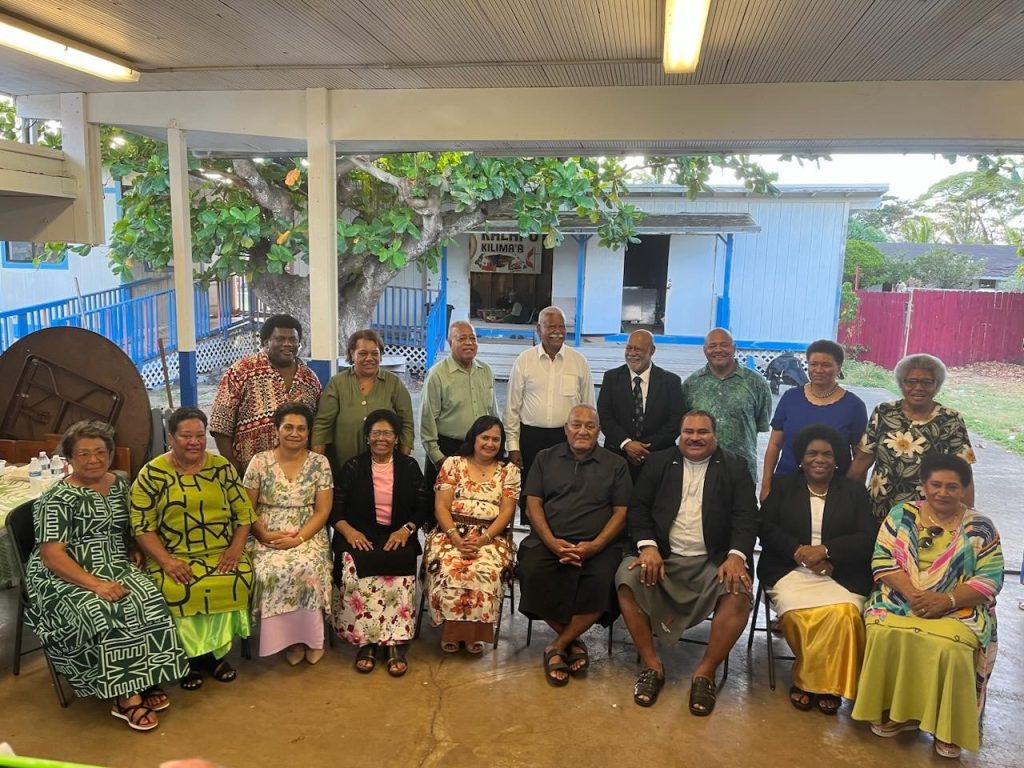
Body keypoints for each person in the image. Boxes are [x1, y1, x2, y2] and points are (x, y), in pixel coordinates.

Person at [25, 421, 188, 731]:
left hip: (114, 561)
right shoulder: (56, 499)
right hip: (66, 572)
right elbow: (52, 555)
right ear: (69, 459)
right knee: (105, 610)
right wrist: (96, 585)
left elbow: (130, 523)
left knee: (151, 598)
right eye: (84, 454)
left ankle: (144, 678)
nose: (94, 460)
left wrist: (132, 547)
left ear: (110, 454)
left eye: (100, 452)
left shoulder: (120, 484)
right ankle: (125, 697)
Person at [851, 455, 1003, 759]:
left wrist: (946, 600)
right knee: (883, 632)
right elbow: (881, 560)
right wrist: (913, 594)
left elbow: (990, 579)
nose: (942, 493)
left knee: (951, 647)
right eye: (936, 485)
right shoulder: (902, 514)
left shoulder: (980, 527)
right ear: (923, 485)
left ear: (964, 489)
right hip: (900, 599)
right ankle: (895, 712)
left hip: (959, 607)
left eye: (952, 487)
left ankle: (950, 728)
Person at [616, 410, 757, 714]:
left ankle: (705, 672)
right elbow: (638, 508)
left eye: (702, 432)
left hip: (714, 559)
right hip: (664, 556)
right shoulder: (658, 462)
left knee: (738, 591)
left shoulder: (735, 466)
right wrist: (648, 547)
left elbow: (746, 516)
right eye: (688, 432)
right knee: (627, 581)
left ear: (715, 435)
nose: (695, 438)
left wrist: (736, 556)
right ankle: (652, 666)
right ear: (679, 435)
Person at [131, 407, 255, 691]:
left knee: (236, 577)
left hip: (219, 550)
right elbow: (141, 525)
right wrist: (166, 561)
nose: (195, 442)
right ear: (171, 438)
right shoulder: (152, 473)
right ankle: (188, 658)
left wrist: (236, 549)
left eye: (200, 435)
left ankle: (213, 655)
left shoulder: (221, 468)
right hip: (172, 553)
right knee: (174, 586)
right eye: (186, 436)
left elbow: (244, 513)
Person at [757, 425, 878, 715]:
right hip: (789, 570)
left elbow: (867, 537)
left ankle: (825, 684)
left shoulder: (853, 492)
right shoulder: (783, 486)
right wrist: (798, 551)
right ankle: (812, 681)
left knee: (846, 614)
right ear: (801, 458)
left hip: (840, 573)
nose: (819, 459)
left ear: (837, 460)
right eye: (812, 453)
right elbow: (765, 527)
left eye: (827, 454)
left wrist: (826, 551)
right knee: (800, 615)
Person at [517, 405, 631, 686]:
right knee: (531, 570)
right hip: (548, 541)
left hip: (598, 546)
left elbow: (621, 512)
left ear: (599, 431)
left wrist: (595, 545)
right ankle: (572, 642)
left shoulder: (616, 464)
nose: (583, 431)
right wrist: (552, 542)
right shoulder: (544, 458)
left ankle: (558, 645)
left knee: (605, 578)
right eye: (576, 425)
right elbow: (533, 505)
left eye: (590, 426)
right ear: (565, 429)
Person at [329, 410, 429, 676]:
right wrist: (349, 532)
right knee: (354, 565)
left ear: (396, 438)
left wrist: (406, 530)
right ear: (367, 438)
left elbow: (423, 507)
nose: (381, 438)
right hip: (359, 534)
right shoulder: (353, 467)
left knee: (399, 562)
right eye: (376, 433)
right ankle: (367, 642)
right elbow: (335, 510)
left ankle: (394, 642)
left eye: (387, 433)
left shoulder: (409, 467)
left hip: (396, 534)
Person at [243, 403, 333, 665]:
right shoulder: (259, 462)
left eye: (301, 429)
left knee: (309, 566)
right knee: (269, 570)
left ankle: (312, 639)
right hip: (266, 532)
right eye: (288, 427)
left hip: (308, 531)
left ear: (308, 432)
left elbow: (323, 510)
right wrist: (263, 535)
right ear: (277, 430)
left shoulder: (320, 463)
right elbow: (246, 508)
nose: (295, 433)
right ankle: (289, 641)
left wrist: (299, 538)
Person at [424, 415, 520, 654]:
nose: (490, 443)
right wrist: (456, 539)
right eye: (485, 437)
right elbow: (441, 507)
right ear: (474, 439)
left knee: (484, 570)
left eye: (496, 439)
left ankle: (475, 635)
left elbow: (507, 512)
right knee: (448, 567)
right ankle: (451, 632)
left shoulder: (509, 471)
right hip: (450, 533)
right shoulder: (453, 464)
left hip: (491, 537)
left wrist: (483, 539)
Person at [848, 353, 975, 520]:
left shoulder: (950, 419)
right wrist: (847, 500)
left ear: (936, 384)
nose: (918, 388)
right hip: (880, 507)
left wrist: (968, 517)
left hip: (929, 512)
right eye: (911, 381)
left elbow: (963, 471)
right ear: (902, 384)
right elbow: (862, 459)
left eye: (927, 382)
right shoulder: (884, 412)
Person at [505, 306, 595, 518]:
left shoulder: (578, 362)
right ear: (539, 329)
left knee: (566, 491)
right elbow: (512, 408)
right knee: (532, 491)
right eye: (551, 326)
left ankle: (563, 531)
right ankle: (533, 534)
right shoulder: (524, 361)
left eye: (561, 326)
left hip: (566, 439)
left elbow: (589, 407)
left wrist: (588, 443)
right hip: (531, 438)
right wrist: (513, 446)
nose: (557, 331)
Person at [210, 314, 322, 474]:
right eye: (280, 339)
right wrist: (232, 464)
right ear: (265, 342)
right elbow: (220, 422)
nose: (287, 344)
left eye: (293, 340)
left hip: (297, 473)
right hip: (249, 471)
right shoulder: (241, 371)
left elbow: (318, 426)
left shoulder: (310, 379)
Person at [761, 339, 867, 501]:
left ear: (838, 367)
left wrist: (851, 493)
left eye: (826, 365)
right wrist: (766, 484)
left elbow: (860, 457)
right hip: (787, 485)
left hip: (833, 492)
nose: (818, 370)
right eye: (813, 364)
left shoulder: (854, 406)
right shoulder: (791, 398)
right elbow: (775, 444)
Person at [312, 329, 415, 474]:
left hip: (385, 469)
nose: (369, 358)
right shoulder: (337, 383)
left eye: (375, 353)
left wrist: (403, 465)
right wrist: (316, 466)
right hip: (344, 466)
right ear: (351, 354)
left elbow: (407, 424)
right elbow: (322, 425)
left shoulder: (394, 384)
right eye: (362, 353)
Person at [682, 328, 772, 481]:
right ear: (704, 350)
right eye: (712, 346)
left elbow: (760, 423)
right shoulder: (691, 384)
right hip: (700, 471)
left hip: (743, 470)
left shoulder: (756, 383)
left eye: (724, 345)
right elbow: (685, 429)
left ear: (734, 348)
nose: (718, 350)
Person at [420, 321, 498, 490]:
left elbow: (493, 413)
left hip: (481, 451)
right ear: (450, 343)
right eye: (462, 338)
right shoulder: (437, 374)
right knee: (443, 503)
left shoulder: (486, 371)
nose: (469, 343)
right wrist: (438, 458)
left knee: (475, 501)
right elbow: (427, 421)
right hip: (448, 450)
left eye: (472, 338)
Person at [597, 329, 684, 481]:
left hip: (657, 459)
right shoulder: (611, 378)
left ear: (652, 350)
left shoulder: (671, 382)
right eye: (628, 348)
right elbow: (604, 417)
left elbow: (675, 422)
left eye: (637, 349)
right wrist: (627, 444)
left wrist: (643, 449)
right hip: (618, 458)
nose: (631, 353)